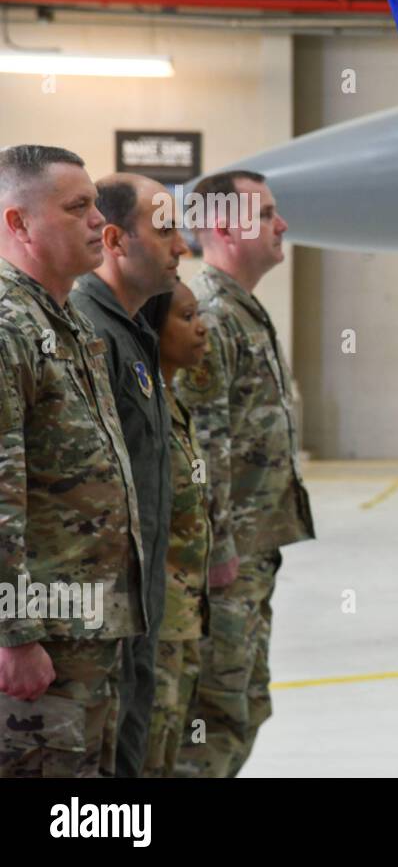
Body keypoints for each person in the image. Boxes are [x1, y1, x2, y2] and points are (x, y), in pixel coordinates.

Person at [0, 145, 145, 777]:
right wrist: (14, 634)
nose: (98, 222)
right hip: (43, 638)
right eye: (77, 207)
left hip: (87, 630)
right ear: (19, 223)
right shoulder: (8, 329)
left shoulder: (64, 322)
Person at [175, 170, 314, 777]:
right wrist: (218, 548)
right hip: (223, 565)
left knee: (244, 704)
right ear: (225, 227)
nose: (282, 225)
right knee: (215, 713)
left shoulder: (240, 309)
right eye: (267, 213)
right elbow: (202, 443)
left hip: (250, 555)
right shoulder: (211, 314)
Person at [69, 173, 190, 777]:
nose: (182, 247)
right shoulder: (91, 333)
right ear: (116, 240)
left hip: (135, 609)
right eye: (166, 230)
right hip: (97, 619)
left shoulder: (133, 329)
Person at [141, 282, 220, 777]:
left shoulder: (170, 400)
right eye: (186, 316)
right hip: (157, 619)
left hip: (183, 614)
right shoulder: (142, 404)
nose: (201, 327)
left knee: (170, 747)